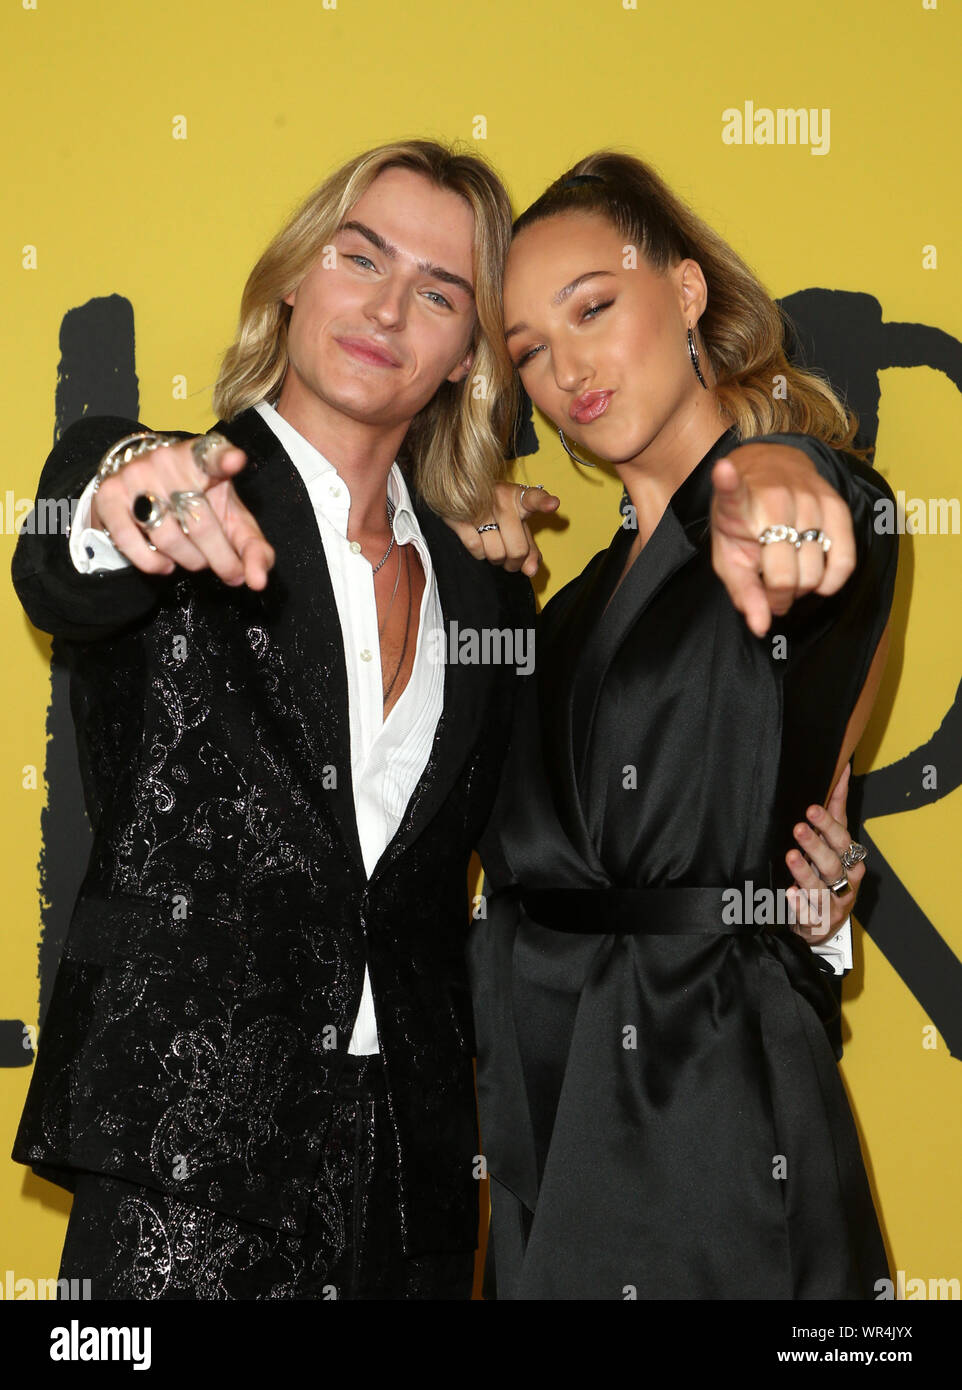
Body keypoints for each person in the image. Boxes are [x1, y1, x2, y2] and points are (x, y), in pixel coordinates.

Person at [10, 139, 534, 1300]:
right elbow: (75, 546)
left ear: (463, 358)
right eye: (360, 257)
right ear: (296, 276)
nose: (389, 307)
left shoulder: (487, 589)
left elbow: (530, 851)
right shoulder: (174, 490)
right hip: (180, 1152)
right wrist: (130, 486)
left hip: (415, 1172)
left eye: (439, 292)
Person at [456, 152, 898, 1299]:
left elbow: (835, 520)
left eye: (591, 309)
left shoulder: (780, 516)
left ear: (687, 292)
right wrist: (472, 586)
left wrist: (778, 465)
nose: (567, 370)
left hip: (709, 1097)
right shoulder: (561, 612)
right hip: (544, 1102)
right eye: (529, 353)